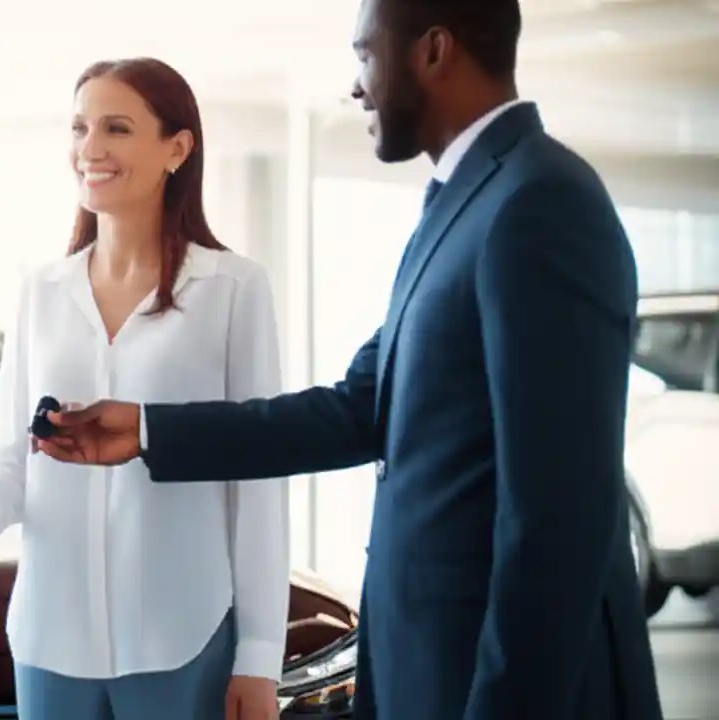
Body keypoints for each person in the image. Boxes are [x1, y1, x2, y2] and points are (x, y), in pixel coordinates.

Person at [34, 1, 665, 719]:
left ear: (433, 52)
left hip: (494, 686)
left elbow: (559, 517)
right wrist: (146, 430)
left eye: (366, 55)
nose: (357, 87)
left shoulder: (540, 202)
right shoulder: (466, 202)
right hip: (431, 669)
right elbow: (357, 408)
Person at [0, 58, 290, 720]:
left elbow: (258, 484)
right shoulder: (42, 290)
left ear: (177, 148)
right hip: (49, 639)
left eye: (116, 128)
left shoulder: (233, 290)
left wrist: (259, 656)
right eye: (80, 127)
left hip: (182, 636)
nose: (91, 148)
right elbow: (10, 463)